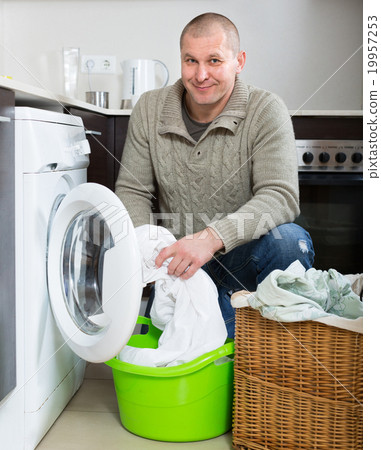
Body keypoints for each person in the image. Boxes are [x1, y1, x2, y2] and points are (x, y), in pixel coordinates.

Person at [115, 12, 314, 338]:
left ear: (239, 61)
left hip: (242, 256)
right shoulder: (149, 109)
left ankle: (280, 349)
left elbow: (281, 195)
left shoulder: (266, 110)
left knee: (290, 241)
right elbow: (133, 191)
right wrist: (149, 252)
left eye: (214, 60)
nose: (201, 74)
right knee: (179, 358)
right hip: (178, 265)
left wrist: (210, 239)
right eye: (190, 60)